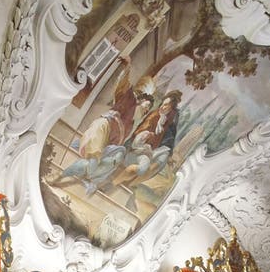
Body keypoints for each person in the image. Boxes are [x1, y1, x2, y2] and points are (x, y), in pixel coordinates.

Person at [50, 57, 155, 194]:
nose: (144, 111)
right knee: (92, 163)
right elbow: (124, 85)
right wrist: (128, 67)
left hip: (107, 140)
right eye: (145, 106)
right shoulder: (129, 100)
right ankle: (60, 177)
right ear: (140, 101)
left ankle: (67, 177)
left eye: (146, 111)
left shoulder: (131, 123)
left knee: (99, 164)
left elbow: (120, 140)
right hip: (102, 127)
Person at [111, 89, 182, 188]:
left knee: (146, 167)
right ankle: (115, 182)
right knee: (137, 167)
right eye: (163, 104)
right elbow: (138, 133)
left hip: (145, 153)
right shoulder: (154, 115)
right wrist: (145, 138)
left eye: (166, 105)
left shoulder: (167, 122)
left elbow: (165, 140)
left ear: (171, 108)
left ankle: (121, 183)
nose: (163, 106)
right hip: (134, 148)